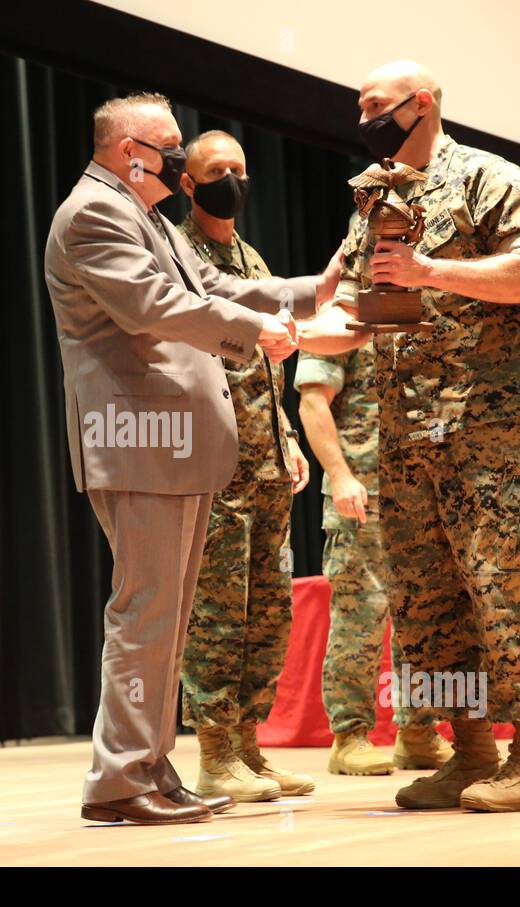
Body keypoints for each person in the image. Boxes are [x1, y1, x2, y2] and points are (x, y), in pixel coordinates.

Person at [44, 92, 341, 825]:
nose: (181, 162)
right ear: (128, 152)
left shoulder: (140, 214)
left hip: (171, 445)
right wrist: (260, 333)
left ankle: (148, 763)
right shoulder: (94, 212)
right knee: (144, 613)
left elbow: (210, 286)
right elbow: (152, 306)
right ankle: (118, 781)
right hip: (139, 440)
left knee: (166, 618)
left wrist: (310, 294)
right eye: (170, 147)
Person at [300, 60, 520, 812]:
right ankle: (470, 752)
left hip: (491, 430)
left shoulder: (487, 177)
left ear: (421, 104)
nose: (364, 122)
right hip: (406, 441)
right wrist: (281, 334)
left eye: (375, 107)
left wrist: (430, 272)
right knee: (427, 602)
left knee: (501, 592)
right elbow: (355, 314)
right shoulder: (374, 200)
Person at [175, 130, 314, 802]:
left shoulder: (250, 256)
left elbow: (264, 368)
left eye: (239, 168)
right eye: (215, 170)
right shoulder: (180, 254)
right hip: (216, 466)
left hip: (266, 465)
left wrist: (286, 433)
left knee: (268, 611)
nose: (230, 178)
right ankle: (213, 755)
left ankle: (251, 750)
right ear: (186, 182)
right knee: (217, 613)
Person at [295, 342, 452, 775]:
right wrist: (340, 475)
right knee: (360, 616)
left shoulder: (419, 317)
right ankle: (349, 736)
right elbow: (312, 402)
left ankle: (419, 732)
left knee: (423, 617)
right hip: (362, 493)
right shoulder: (337, 320)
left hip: (420, 494)